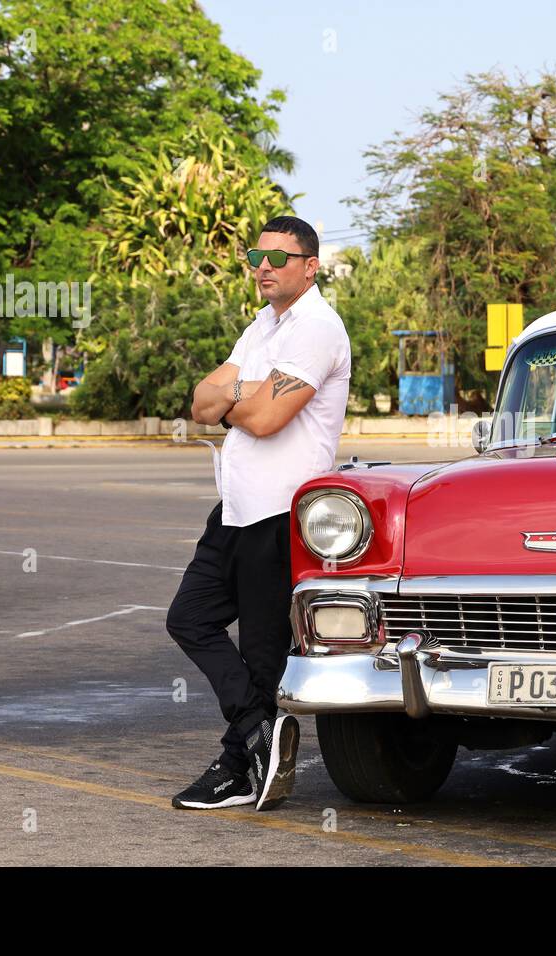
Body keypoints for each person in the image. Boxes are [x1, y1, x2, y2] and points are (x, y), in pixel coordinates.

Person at [166, 215, 350, 810]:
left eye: (277, 257)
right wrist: (249, 391)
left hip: (279, 512)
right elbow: (200, 401)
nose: (262, 267)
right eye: (255, 256)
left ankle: (239, 767)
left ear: (310, 266)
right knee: (188, 618)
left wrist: (237, 395)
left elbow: (269, 419)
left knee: (263, 654)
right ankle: (256, 732)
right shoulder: (262, 326)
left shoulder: (318, 328)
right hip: (236, 509)